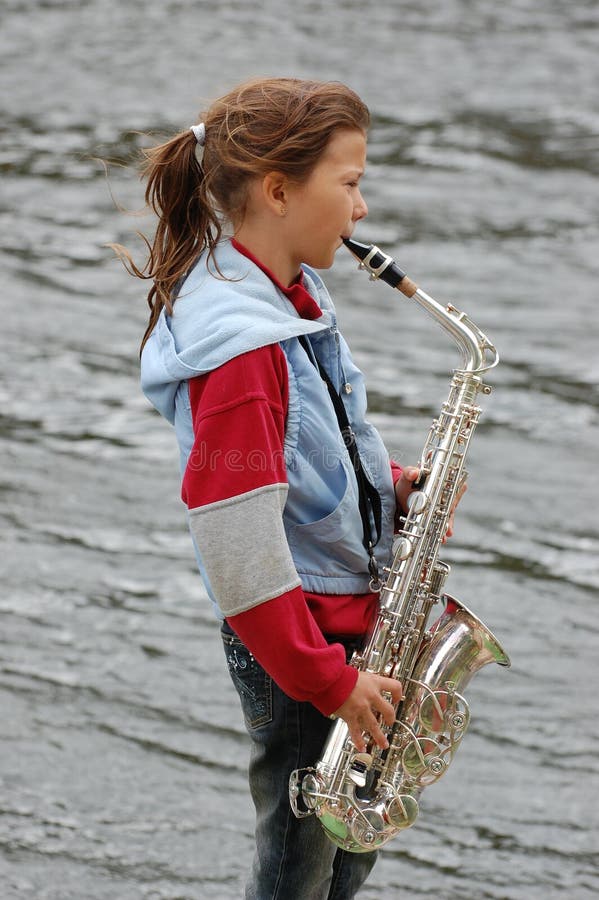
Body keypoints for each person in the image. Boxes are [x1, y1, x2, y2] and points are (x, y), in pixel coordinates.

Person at [116, 77, 463, 900]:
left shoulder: (286, 297)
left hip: (334, 631)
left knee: (350, 843)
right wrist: (327, 681)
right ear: (277, 192)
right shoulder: (243, 351)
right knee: (295, 867)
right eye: (349, 183)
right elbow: (237, 547)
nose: (362, 209)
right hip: (300, 643)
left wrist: (391, 488)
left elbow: (303, 450)